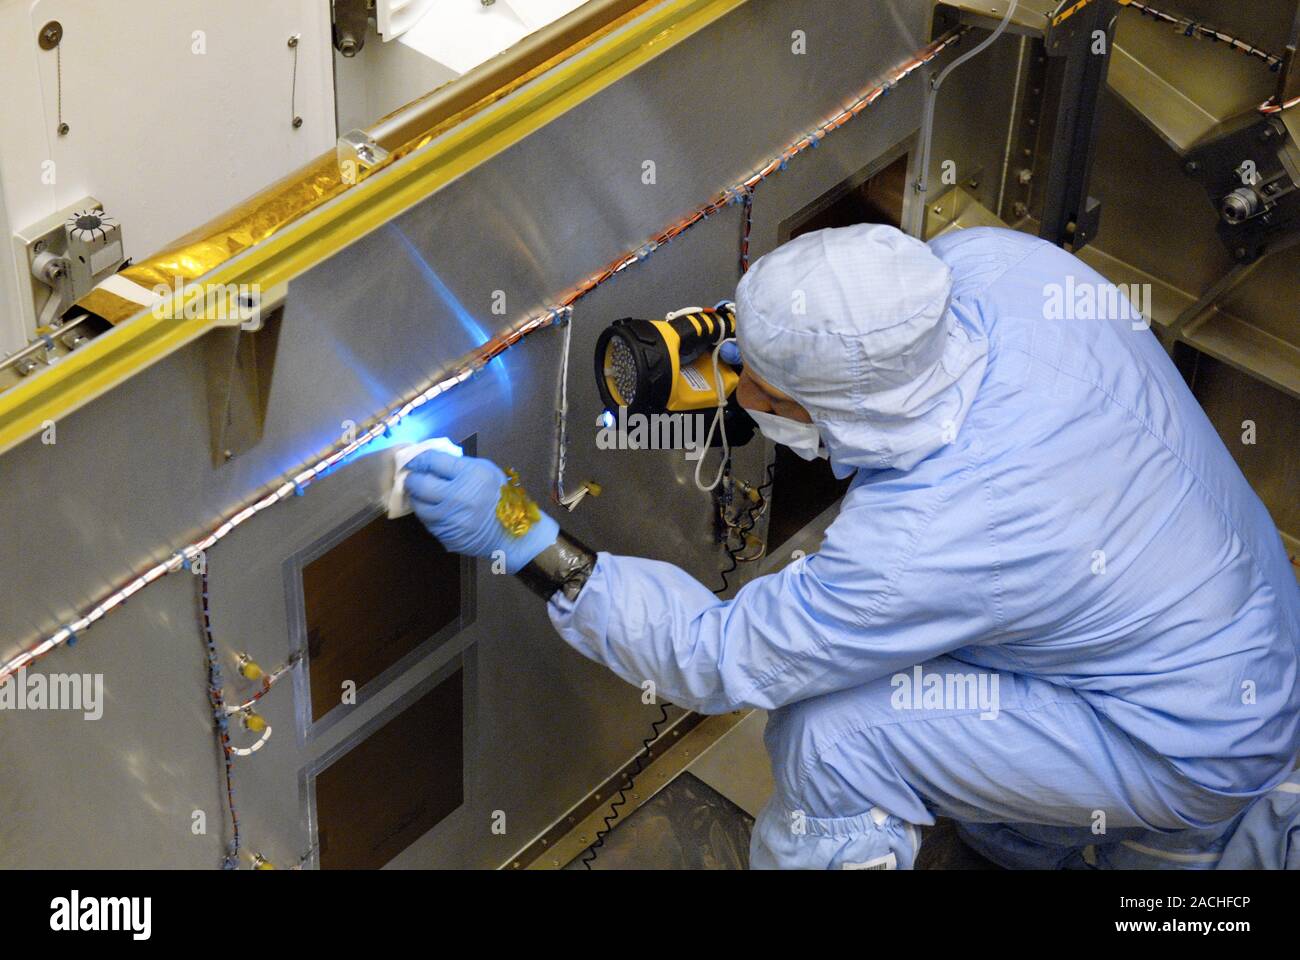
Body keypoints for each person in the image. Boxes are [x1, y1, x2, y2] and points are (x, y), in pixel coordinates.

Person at [404, 223, 1300, 869]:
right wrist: (771, 338)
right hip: (1256, 635)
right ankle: (1031, 834)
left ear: (835, 411)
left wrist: (519, 531)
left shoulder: (923, 541)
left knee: (833, 736)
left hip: (1190, 747)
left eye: (762, 392)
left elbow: (714, 660)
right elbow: (860, 320)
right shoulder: (1006, 267)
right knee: (935, 664)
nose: (738, 393)